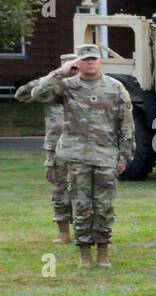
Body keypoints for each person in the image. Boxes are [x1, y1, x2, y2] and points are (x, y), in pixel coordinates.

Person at [28, 44, 134, 268]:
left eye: (93, 59)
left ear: (100, 61)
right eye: (85, 59)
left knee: (104, 206)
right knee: (81, 206)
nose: (89, 63)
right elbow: (37, 94)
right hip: (76, 157)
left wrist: (123, 157)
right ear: (78, 62)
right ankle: (85, 254)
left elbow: (125, 124)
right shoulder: (67, 87)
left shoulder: (115, 87)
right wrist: (61, 71)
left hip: (105, 155)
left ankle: (103, 252)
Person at [16, 52, 77, 244]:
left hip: (83, 146)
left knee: (85, 189)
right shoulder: (49, 88)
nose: (72, 71)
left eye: (75, 66)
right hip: (56, 146)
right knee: (60, 190)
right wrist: (50, 78)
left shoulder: (87, 86)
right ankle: (63, 233)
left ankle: (86, 232)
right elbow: (21, 95)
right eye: (68, 67)